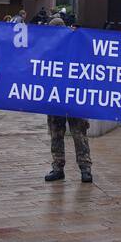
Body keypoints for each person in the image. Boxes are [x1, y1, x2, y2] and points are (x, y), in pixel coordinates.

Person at [43, 16, 92, 182]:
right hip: (55, 96)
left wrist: (78, 33)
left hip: (74, 96)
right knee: (57, 134)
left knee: (79, 133)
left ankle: (85, 168)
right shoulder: (48, 47)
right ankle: (58, 167)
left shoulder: (75, 44)